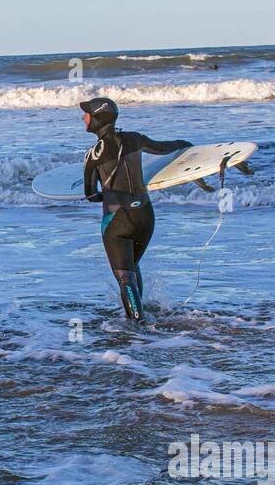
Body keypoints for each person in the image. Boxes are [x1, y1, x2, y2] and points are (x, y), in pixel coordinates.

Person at [80, 97, 191, 320]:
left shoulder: (93, 155)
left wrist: (106, 196)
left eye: (87, 114)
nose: (83, 117)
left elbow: (90, 194)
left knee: (125, 278)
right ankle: (142, 316)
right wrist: (190, 147)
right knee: (132, 266)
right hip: (145, 216)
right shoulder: (135, 138)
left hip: (117, 220)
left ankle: (137, 330)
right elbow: (165, 148)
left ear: (98, 118)